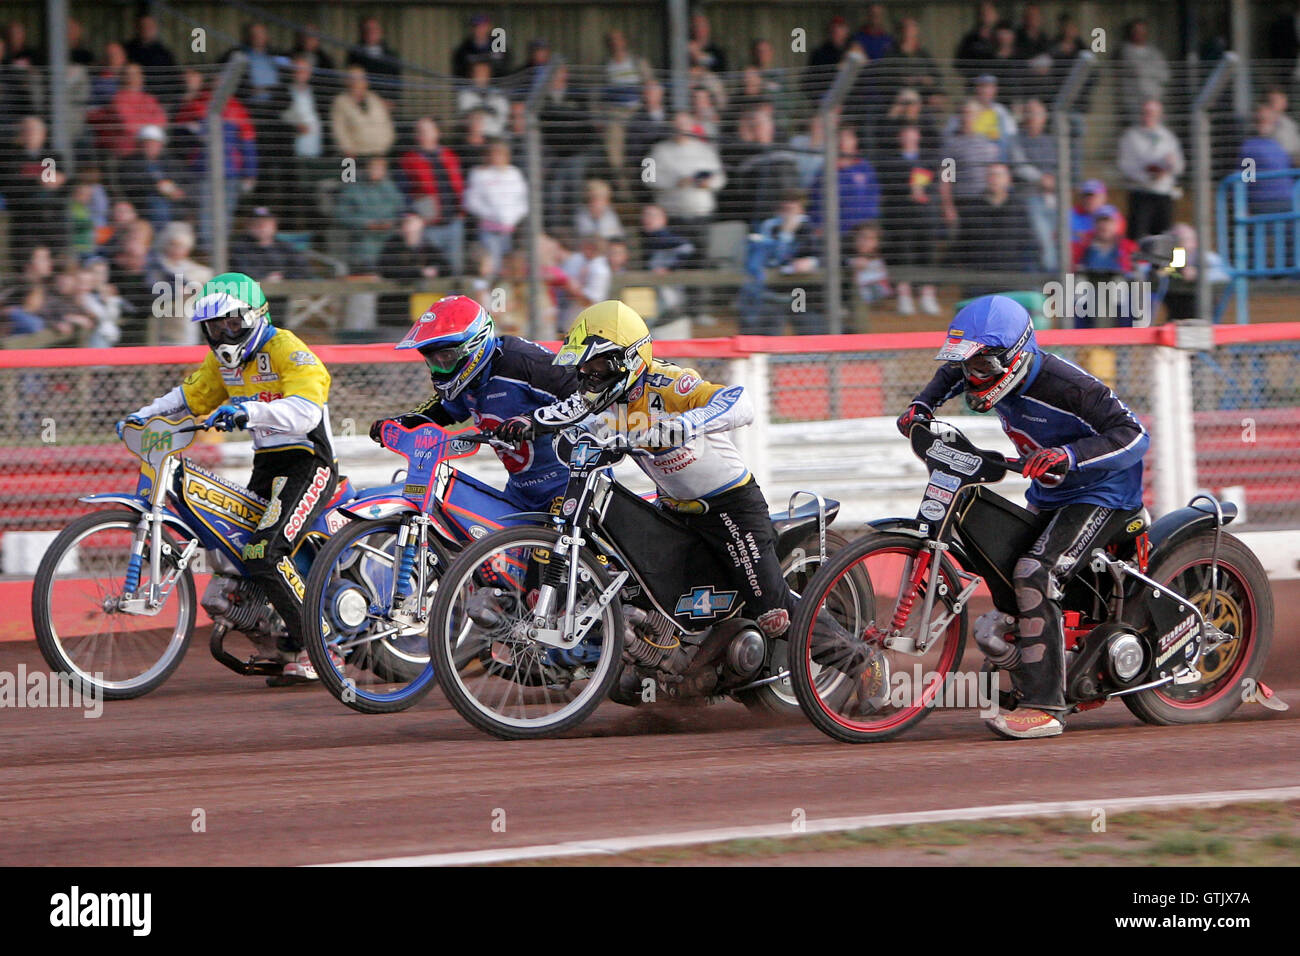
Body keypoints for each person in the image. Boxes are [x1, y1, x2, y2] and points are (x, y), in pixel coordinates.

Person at [895, 295, 1149, 738]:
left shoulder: (1068, 386)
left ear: (1015, 357)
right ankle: (1044, 668)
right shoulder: (985, 371)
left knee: (1034, 572)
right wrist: (922, 406)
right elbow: (953, 374)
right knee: (1006, 569)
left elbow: (1134, 435)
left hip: (1104, 493)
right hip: (1049, 495)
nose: (973, 380)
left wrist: (1069, 456)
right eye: (967, 366)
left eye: (982, 369)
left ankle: (1047, 706)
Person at [518, 301, 799, 675]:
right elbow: (560, 414)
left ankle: (857, 659)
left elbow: (740, 403)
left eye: (597, 365)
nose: (588, 375)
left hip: (731, 508)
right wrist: (518, 427)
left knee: (773, 614)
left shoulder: (668, 384)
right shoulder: (598, 398)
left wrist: (685, 424)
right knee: (645, 585)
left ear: (628, 359)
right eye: (583, 366)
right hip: (674, 509)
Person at [118, 273, 339, 683]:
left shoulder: (288, 348)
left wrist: (249, 412)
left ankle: (322, 646)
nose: (224, 334)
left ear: (256, 317)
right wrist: (144, 415)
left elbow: (308, 410)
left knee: (263, 553)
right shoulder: (221, 364)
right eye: (215, 327)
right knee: (235, 555)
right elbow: (187, 397)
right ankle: (277, 643)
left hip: (310, 463)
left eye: (232, 324)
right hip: (267, 465)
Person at [369, 295, 578, 513]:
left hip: (571, 486)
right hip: (522, 494)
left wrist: (533, 421)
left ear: (474, 345)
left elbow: (586, 400)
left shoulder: (524, 363)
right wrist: (402, 423)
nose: (440, 368)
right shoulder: (468, 383)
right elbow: (441, 410)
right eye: (433, 361)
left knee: (541, 548)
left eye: (446, 357)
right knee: (476, 542)